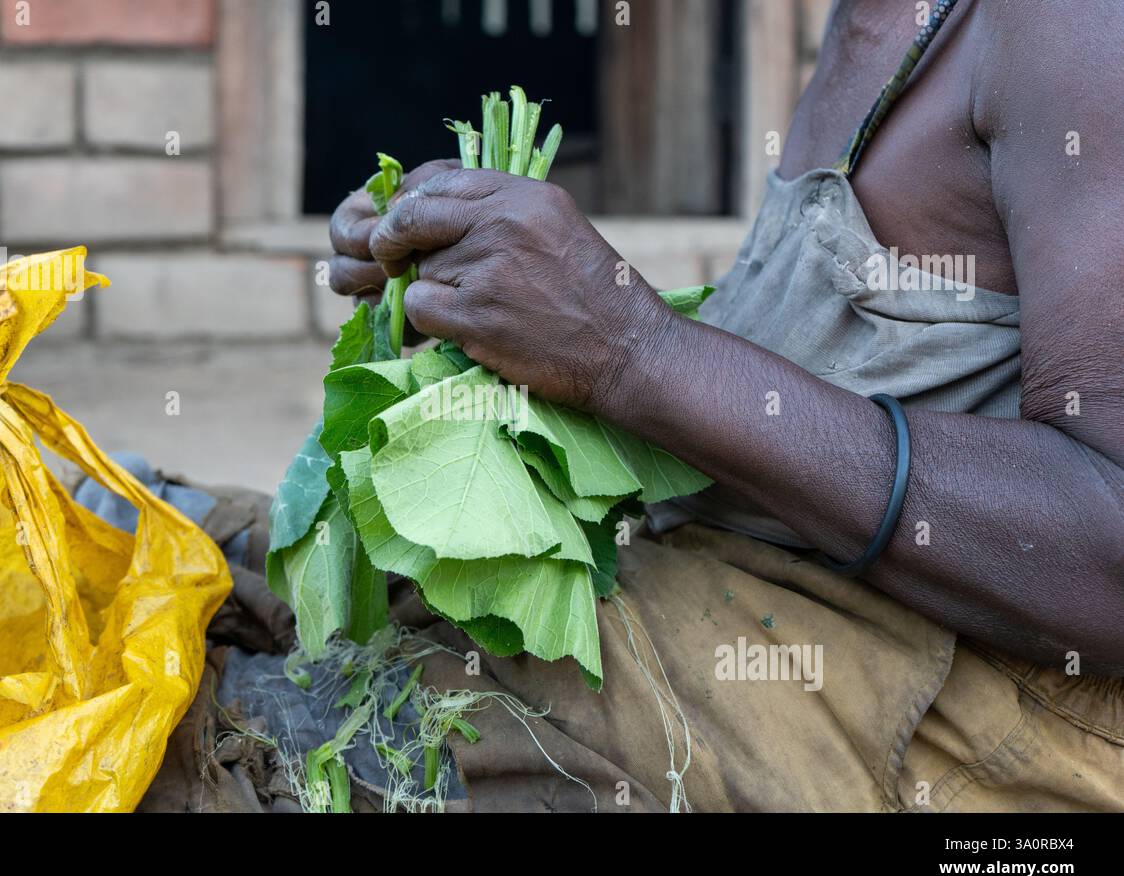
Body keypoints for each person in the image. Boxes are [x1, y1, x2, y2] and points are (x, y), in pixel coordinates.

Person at [317, 0, 1124, 812]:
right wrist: (490, 305)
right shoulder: (875, 22)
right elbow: (811, 375)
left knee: (344, 736)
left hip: (977, 730)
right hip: (757, 606)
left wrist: (634, 348)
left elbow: (1111, 544)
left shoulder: (1073, 26)